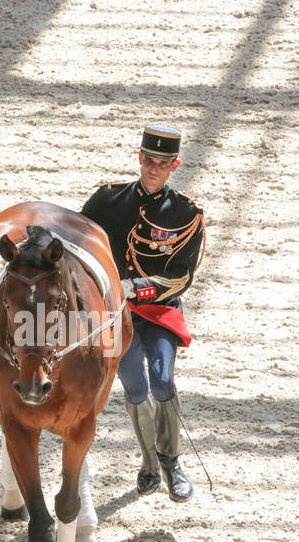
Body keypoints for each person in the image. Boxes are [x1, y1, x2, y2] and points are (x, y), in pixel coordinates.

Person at [80, 125, 205, 501]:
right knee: (135, 386)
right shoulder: (107, 200)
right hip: (115, 314)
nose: (153, 169)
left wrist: (137, 287)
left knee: (163, 379)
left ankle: (172, 461)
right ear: (139, 159)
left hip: (159, 309)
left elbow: (182, 275)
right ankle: (149, 464)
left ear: (174, 166)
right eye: (148, 161)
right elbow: (79, 240)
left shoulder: (185, 213)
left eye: (162, 164)